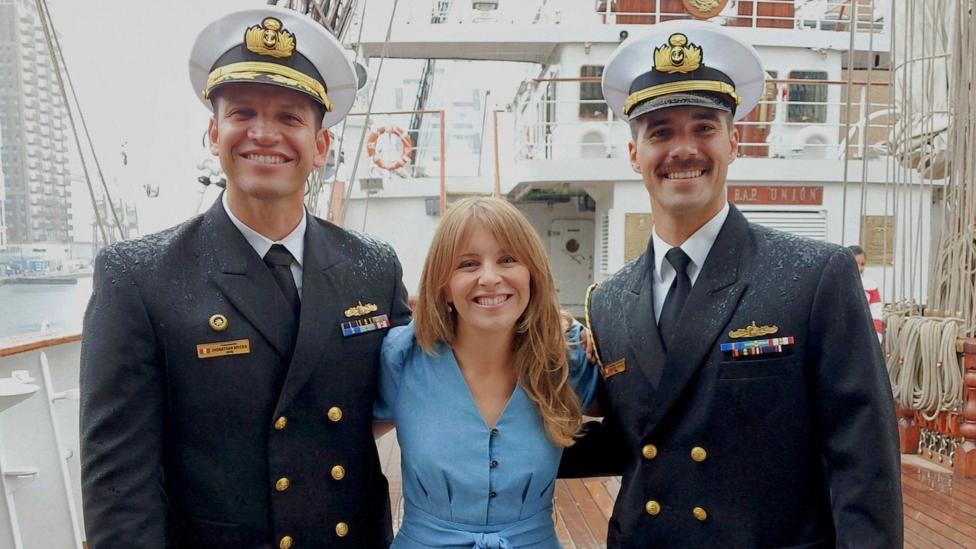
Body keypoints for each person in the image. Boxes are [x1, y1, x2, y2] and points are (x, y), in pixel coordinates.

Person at [559, 20, 902, 547]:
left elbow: (863, 457)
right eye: (661, 132)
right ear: (634, 155)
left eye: (703, 127)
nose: (683, 149)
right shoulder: (608, 301)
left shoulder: (815, 276)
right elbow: (638, 437)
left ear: (734, 142)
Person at [80, 7, 410, 548]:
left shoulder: (373, 267)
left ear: (321, 145)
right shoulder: (137, 278)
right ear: (214, 133)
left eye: (289, 117)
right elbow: (119, 484)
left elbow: (419, 389)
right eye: (242, 113)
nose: (264, 133)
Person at [373, 197, 598, 548]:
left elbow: (638, 416)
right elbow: (340, 436)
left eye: (508, 259)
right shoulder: (400, 358)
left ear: (532, 275)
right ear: (443, 285)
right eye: (468, 264)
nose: (490, 278)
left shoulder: (566, 359)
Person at [849, 244, 885, 342]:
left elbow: (876, 315)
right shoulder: (834, 284)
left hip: (863, 339)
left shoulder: (871, 286)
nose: (860, 268)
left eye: (863, 264)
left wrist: (877, 340)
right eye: (856, 263)